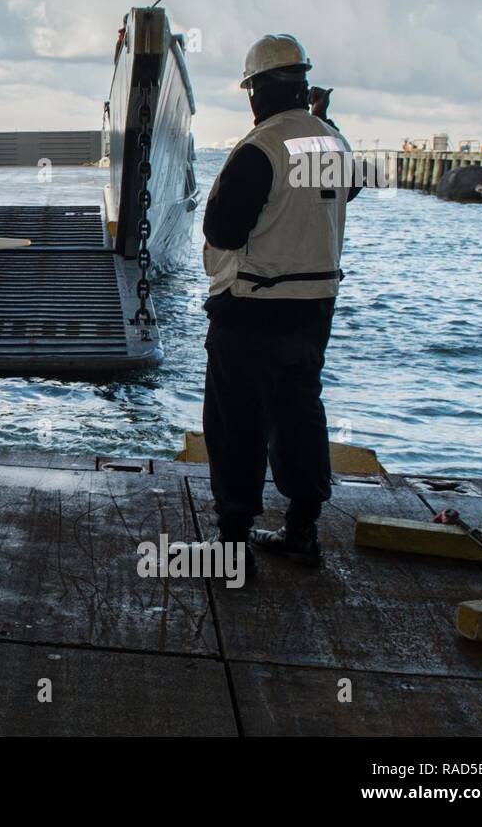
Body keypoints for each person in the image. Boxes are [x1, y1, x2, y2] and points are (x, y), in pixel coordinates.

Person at [200, 34, 358, 575]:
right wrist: (323, 120)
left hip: (251, 306)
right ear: (305, 85)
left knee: (235, 421)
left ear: (255, 91)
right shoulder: (333, 145)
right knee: (298, 413)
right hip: (314, 307)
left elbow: (222, 229)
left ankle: (233, 540)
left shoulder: (259, 149)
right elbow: (335, 193)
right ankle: (302, 529)